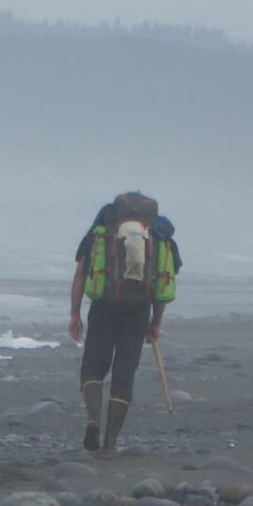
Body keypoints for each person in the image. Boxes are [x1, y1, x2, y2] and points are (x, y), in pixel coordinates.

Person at [68, 191, 181, 452]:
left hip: (103, 307)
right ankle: (110, 442)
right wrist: (155, 324)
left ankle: (94, 420)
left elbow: (81, 273)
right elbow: (163, 282)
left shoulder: (102, 231)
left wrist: (75, 313)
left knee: (93, 369)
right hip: (138, 311)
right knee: (124, 375)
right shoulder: (159, 236)